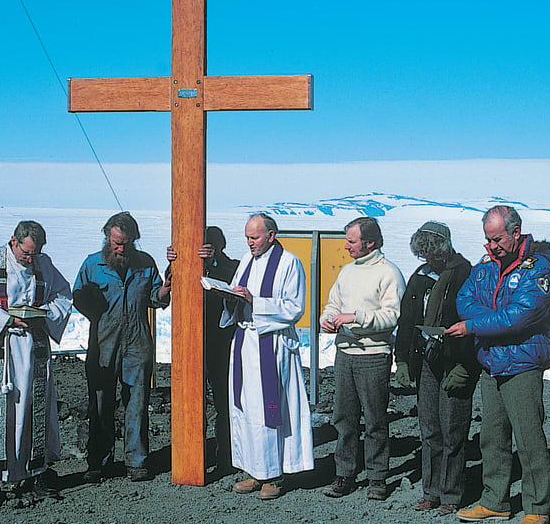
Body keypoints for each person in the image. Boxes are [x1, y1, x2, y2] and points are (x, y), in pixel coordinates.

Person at [450, 205, 550, 524]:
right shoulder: (485, 268)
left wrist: (476, 325)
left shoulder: (536, 269)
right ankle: (495, 500)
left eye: (497, 239)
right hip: (492, 362)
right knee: (492, 437)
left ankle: (537, 505)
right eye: (488, 239)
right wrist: (490, 319)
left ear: (516, 232)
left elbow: (520, 316)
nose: (492, 245)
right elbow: (464, 299)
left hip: (522, 362)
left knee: (528, 436)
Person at [0, 221, 73, 507]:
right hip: (0, 350)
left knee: (33, 411)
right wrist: (6, 319)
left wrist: (43, 314)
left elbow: (63, 296)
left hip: (33, 351)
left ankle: (34, 473)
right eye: (26, 253)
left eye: (35, 254)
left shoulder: (44, 265)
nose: (30, 259)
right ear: (14, 241)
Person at [208, 213, 314, 498]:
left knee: (271, 408)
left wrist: (256, 301)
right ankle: (255, 470)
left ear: (271, 235)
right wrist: (231, 297)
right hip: (245, 342)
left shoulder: (289, 262)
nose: (250, 243)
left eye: (254, 237)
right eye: (247, 237)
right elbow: (239, 296)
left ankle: (275, 475)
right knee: (247, 408)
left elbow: (295, 307)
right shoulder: (246, 260)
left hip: (272, 343)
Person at [73, 212, 171, 483]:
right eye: (116, 242)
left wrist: (164, 292)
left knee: (137, 402)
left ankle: (137, 461)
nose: (121, 247)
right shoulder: (92, 265)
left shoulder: (145, 263)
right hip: (103, 343)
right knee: (101, 402)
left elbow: (155, 297)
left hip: (137, 341)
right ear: (107, 236)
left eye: (126, 243)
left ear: (134, 240)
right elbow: (77, 297)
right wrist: (90, 303)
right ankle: (98, 462)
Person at [395, 221, 480, 516]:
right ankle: (430, 491)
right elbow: (406, 321)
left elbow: (474, 321)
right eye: (424, 255)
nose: (428, 260)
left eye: (432, 254)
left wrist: (466, 366)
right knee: (429, 427)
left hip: (455, 361)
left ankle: (452, 494)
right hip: (427, 360)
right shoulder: (419, 277)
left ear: (444, 249)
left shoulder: (465, 274)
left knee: (453, 428)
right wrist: (402, 359)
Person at [319, 216, 405, 500]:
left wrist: (355, 318)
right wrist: (328, 319)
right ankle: (344, 473)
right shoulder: (347, 272)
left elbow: (393, 315)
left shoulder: (389, 273)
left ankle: (377, 477)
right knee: (343, 418)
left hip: (373, 356)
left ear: (370, 242)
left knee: (375, 419)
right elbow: (333, 303)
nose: (346, 247)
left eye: (351, 241)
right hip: (345, 354)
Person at [166, 226, 239, 472]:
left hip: (220, 343)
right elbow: (170, 283)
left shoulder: (231, 266)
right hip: (190, 340)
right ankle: (191, 455)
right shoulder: (189, 265)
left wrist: (214, 262)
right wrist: (175, 260)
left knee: (223, 401)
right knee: (190, 399)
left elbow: (233, 282)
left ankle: (226, 456)